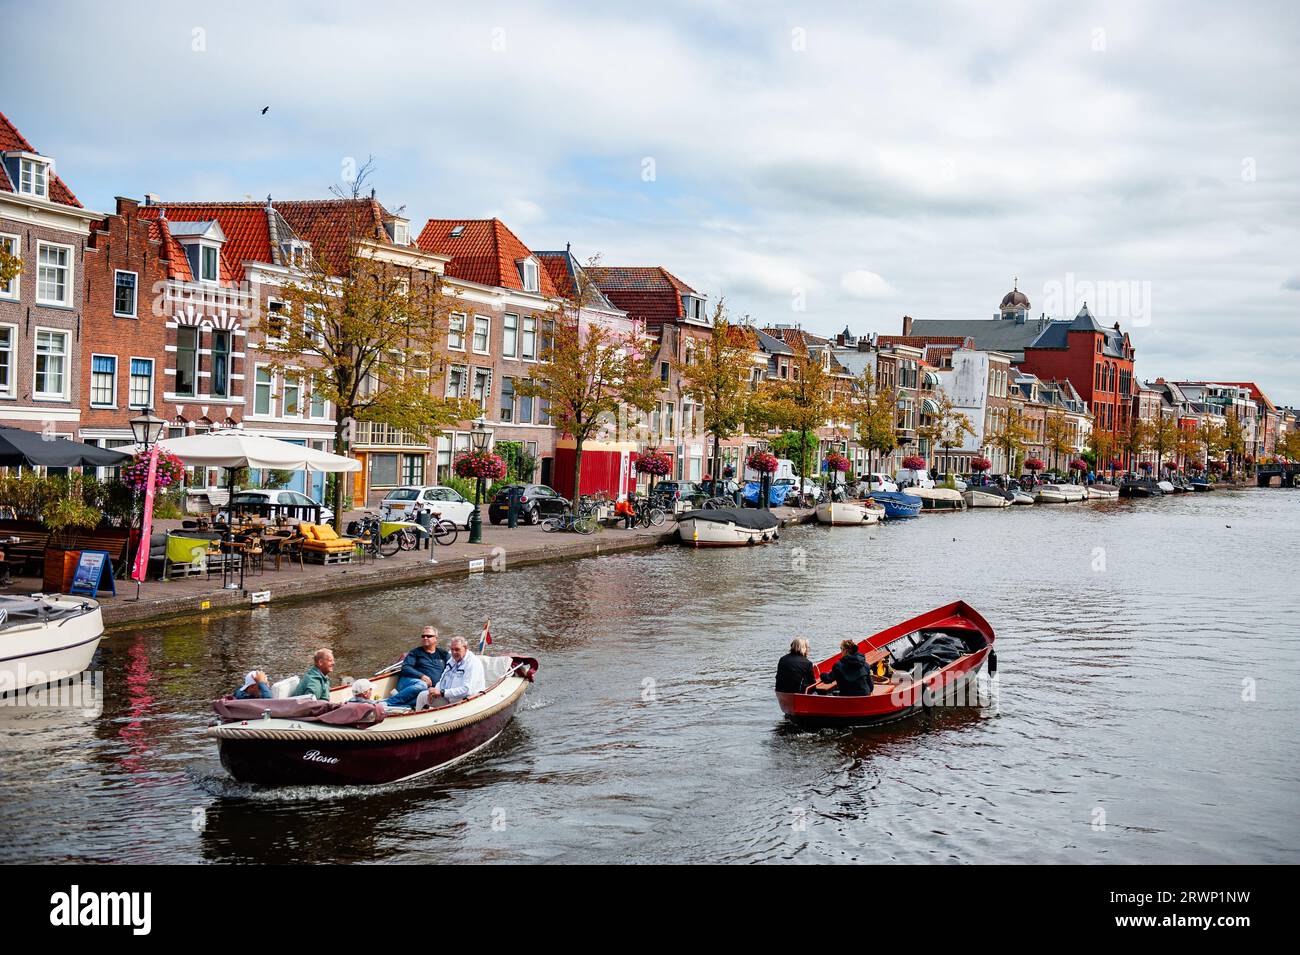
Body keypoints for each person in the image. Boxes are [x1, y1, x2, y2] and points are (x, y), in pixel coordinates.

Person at [382, 626, 450, 708]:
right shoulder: (415, 653)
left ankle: (404, 705)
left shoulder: (443, 654)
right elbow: (405, 668)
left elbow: (453, 667)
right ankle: (388, 702)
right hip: (409, 683)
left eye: (428, 636)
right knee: (422, 685)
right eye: (423, 636)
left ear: (436, 638)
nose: (425, 638)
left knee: (430, 696)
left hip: (429, 688)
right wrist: (421, 676)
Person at [428, 636, 485, 703]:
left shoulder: (473, 663)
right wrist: (435, 690)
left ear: (465, 648)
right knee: (423, 695)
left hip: (466, 702)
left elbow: (467, 690)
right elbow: (442, 680)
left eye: (457, 649)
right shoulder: (452, 660)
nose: (454, 652)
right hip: (448, 698)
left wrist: (442, 692)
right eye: (452, 649)